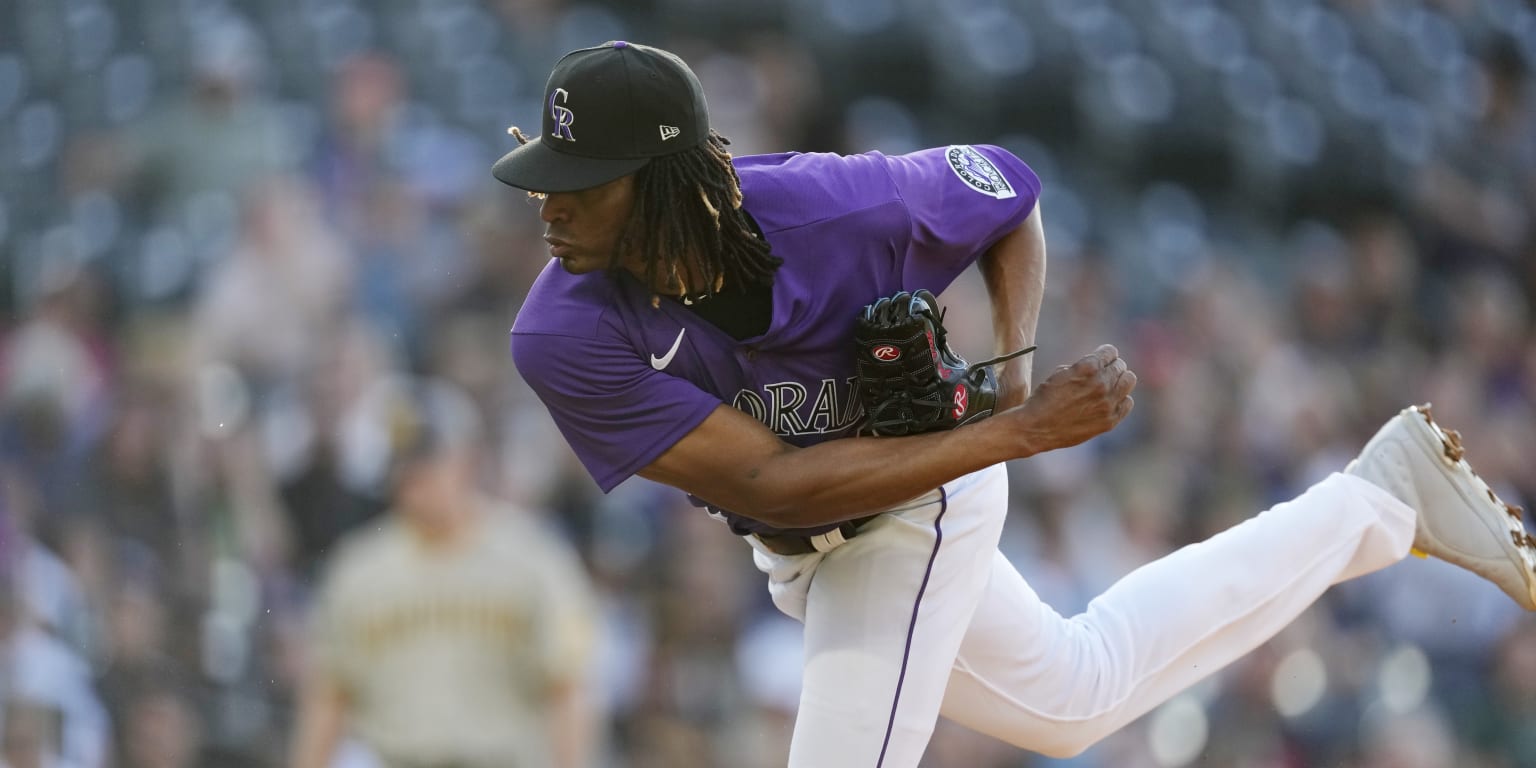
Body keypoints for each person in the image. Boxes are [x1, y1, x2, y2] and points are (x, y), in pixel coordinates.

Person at [493, 40, 1536, 765]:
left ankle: (1381, 506)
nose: (552, 204)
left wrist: (1017, 365)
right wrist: (1018, 426)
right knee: (1078, 696)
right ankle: (1380, 504)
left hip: (920, 506)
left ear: (669, 179)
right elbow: (773, 481)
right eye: (550, 173)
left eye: (585, 179)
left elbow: (1009, 187)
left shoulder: (840, 205)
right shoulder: (563, 333)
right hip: (811, 529)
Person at [288, 376, 599, 768]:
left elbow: (568, 690)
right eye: (403, 467)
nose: (412, 481)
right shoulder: (358, 569)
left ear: (468, 458)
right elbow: (328, 698)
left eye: (426, 464)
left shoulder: (534, 558)